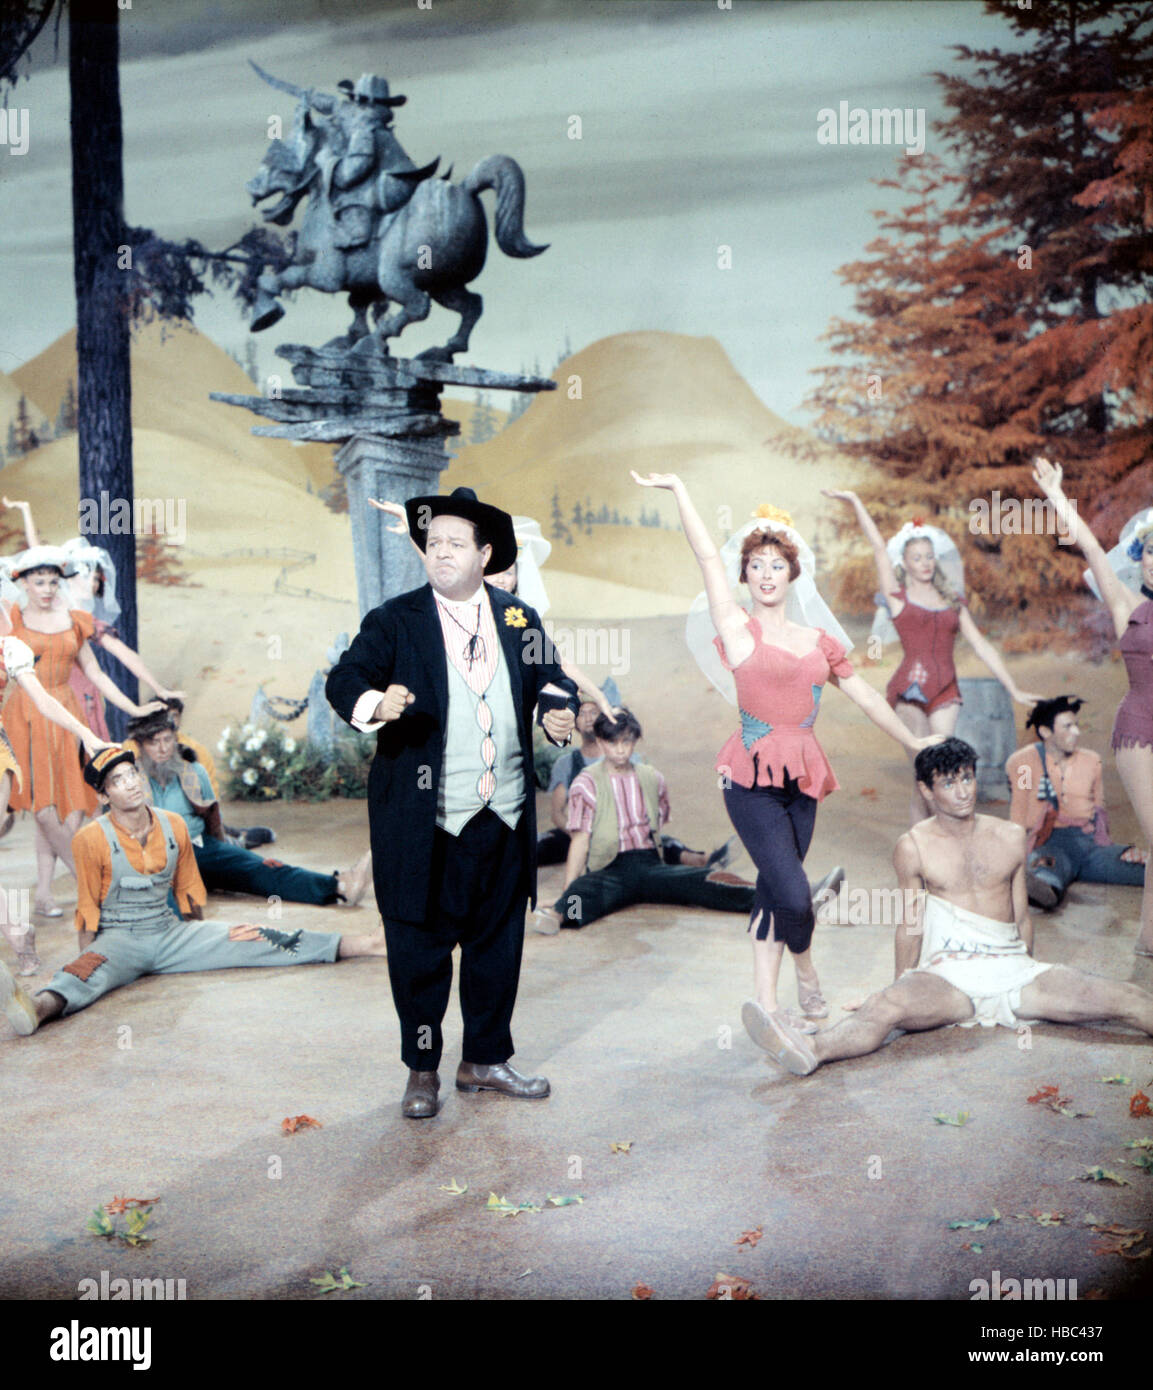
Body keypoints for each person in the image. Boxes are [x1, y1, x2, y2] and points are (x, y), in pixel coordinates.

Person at [638, 475, 941, 1038]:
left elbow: (867, 694)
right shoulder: (736, 628)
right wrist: (682, 488)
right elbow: (705, 553)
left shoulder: (820, 641)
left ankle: (774, 993)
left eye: (777, 565)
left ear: (793, 574)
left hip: (803, 775)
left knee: (779, 889)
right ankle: (796, 978)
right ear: (745, 575)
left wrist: (913, 740)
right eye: (756, 565)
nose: (767, 574)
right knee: (795, 890)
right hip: (748, 774)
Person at [327, 486, 578, 1119]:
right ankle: (422, 1070)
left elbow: (553, 677)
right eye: (432, 542)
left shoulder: (519, 619)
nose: (440, 552)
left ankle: (484, 1059)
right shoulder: (395, 621)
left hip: (506, 814)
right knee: (420, 949)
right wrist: (373, 705)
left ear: (485, 553)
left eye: (454, 543)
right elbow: (345, 678)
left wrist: (556, 707)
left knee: (498, 943)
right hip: (425, 822)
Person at [746, 738, 1153, 1077]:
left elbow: (1022, 918)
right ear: (927, 790)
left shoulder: (1010, 836)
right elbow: (910, 924)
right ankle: (810, 1049)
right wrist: (901, 984)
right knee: (882, 1008)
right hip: (949, 976)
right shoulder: (914, 846)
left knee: (1128, 998)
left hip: (1012, 969)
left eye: (967, 779)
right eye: (948, 783)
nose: (963, 792)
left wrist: (1029, 977)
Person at [0, 746, 387, 1039]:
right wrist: (90, 961)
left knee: (256, 935)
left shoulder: (173, 826)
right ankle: (36, 1008)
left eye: (132, 773)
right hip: (119, 940)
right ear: (103, 796)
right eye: (117, 781)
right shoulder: (90, 838)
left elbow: (188, 890)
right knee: (80, 975)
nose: (131, 783)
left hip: (171, 932)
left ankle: (362, 944)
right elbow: (87, 909)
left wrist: (203, 939)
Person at [822, 491, 1044, 823]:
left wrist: (1012, 688)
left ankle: (949, 846)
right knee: (924, 777)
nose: (925, 563)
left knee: (944, 772)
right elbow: (880, 549)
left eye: (929, 557)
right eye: (917, 557)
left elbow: (982, 645)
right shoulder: (897, 599)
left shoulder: (952, 600)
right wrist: (856, 502)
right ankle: (924, 853)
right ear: (905, 564)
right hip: (909, 691)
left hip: (946, 691)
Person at [2, 547, 164, 918]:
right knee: (43, 811)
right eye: (38, 581)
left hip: (65, 712)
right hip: (25, 714)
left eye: (52, 581)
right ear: (23, 583)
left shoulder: (75, 618)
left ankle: (44, 894)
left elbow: (96, 674)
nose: (46, 588)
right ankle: (91, 883)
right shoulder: (11, 618)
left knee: (71, 810)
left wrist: (135, 708)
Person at [1032, 460, 1153, 957]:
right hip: (1140, 732)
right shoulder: (1128, 604)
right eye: (1149, 555)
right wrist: (1058, 495)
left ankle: (1147, 940)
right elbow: (1088, 547)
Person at [125, 710, 371, 911]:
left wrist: (227, 854)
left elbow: (212, 818)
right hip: (158, 858)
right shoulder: (130, 778)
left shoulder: (192, 771)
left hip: (199, 847)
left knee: (263, 868)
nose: (162, 749)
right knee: (161, 901)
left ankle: (340, 886)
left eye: (167, 740)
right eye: (153, 742)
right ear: (140, 745)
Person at [0, 620, 112, 974]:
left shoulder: (9, 649)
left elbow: (44, 700)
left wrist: (86, 735)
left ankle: (18, 935)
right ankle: (18, 933)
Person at [1007, 695, 1145, 910]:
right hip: (1050, 841)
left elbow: (1100, 809)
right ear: (1045, 731)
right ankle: (1045, 890)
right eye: (1068, 726)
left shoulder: (1092, 761)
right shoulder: (1024, 763)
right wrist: (1016, 856)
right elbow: (1020, 809)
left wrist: (1107, 846)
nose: (1076, 732)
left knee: (1139, 865)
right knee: (1046, 871)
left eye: (1076, 726)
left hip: (1089, 845)